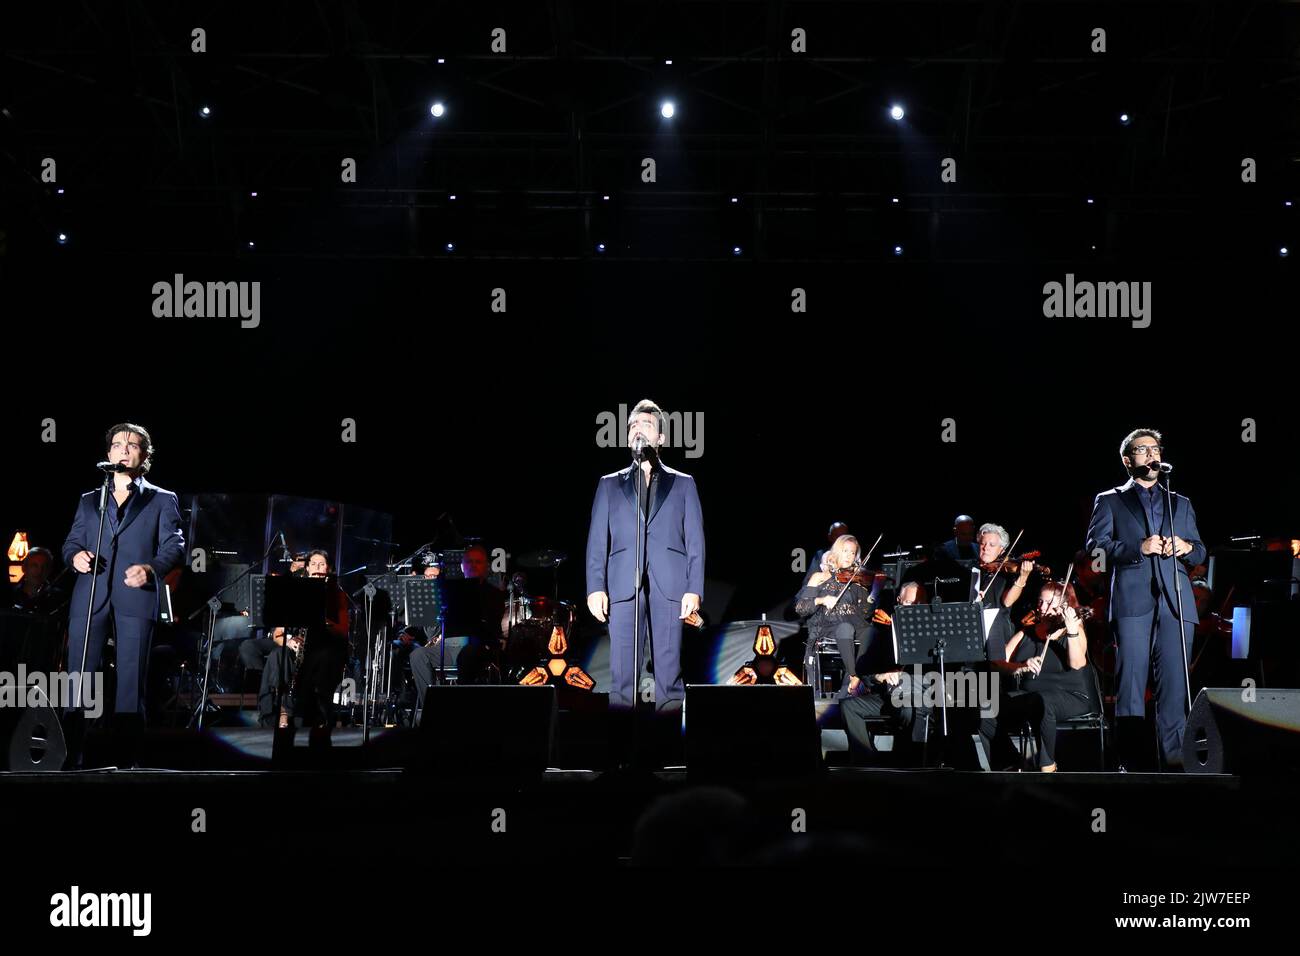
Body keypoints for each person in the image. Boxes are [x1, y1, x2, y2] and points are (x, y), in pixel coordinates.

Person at [1087, 428, 1205, 770]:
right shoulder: (1109, 500)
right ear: (1128, 460)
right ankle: (1132, 763)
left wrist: (1185, 548)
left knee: (1174, 688)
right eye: (1142, 449)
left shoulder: (1180, 502)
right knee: (1131, 684)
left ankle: (1174, 762)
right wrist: (1136, 548)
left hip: (1176, 603)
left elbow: (1200, 552)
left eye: (1155, 449)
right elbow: (1095, 554)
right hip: (1132, 601)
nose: (1152, 454)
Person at [61, 424, 185, 741]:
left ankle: (127, 757)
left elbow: (175, 546)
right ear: (108, 454)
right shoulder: (89, 500)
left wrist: (152, 568)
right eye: (118, 444)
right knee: (79, 676)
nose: (124, 449)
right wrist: (74, 557)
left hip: (135, 595)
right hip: (90, 595)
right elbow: (71, 543)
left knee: (131, 680)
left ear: (144, 455)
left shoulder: (161, 499)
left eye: (132, 445)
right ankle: (71, 750)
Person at [586, 399, 704, 712]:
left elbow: (695, 541)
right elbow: (597, 541)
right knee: (622, 675)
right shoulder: (609, 485)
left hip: (671, 585)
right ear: (627, 438)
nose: (639, 430)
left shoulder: (683, 483)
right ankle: (621, 755)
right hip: (623, 583)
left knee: (669, 674)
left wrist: (694, 588)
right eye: (633, 426)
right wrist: (595, 587)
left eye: (646, 425)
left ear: (661, 439)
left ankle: (669, 754)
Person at [840, 580, 930, 764]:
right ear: (898, 601)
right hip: (887, 697)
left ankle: (906, 762)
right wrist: (880, 676)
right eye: (908, 604)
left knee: (907, 707)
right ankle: (865, 762)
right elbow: (865, 673)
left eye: (918, 605)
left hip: (918, 698)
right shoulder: (881, 633)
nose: (913, 609)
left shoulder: (931, 634)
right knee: (848, 706)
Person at [795, 534, 880, 698]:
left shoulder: (856, 580)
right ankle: (855, 675)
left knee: (872, 632)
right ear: (836, 552)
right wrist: (821, 599)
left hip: (855, 627)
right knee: (845, 628)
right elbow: (801, 607)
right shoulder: (819, 577)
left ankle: (847, 686)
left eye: (853, 553)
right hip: (827, 629)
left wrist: (874, 592)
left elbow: (866, 612)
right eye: (845, 551)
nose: (849, 556)